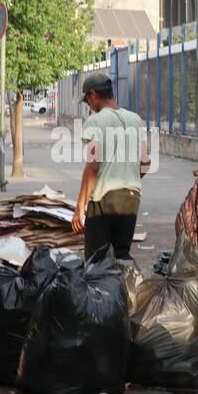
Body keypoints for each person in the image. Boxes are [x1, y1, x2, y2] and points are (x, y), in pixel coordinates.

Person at [71, 71, 150, 263]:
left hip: (104, 200)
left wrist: (80, 207)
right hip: (132, 198)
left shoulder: (95, 121)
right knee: (121, 256)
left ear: (93, 95)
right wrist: (128, 176)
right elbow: (146, 164)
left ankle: (99, 293)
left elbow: (92, 166)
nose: (89, 106)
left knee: (97, 261)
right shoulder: (135, 119)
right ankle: (124, 292)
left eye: (87, 101)